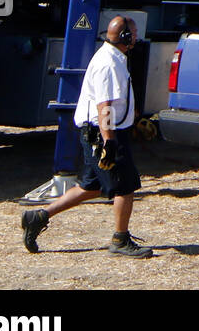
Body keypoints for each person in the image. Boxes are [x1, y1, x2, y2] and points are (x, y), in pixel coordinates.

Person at [21, 16, 153, 257]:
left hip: (104, 132)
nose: (136, 37)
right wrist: (110, 141)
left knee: (90, 187)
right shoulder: (109, 63)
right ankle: (120, 240)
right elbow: (105, 105)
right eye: (133, 33)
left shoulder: (115, 58)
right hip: (102, 134)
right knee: (126, 185)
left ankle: (38, 217)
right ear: (125, 37)